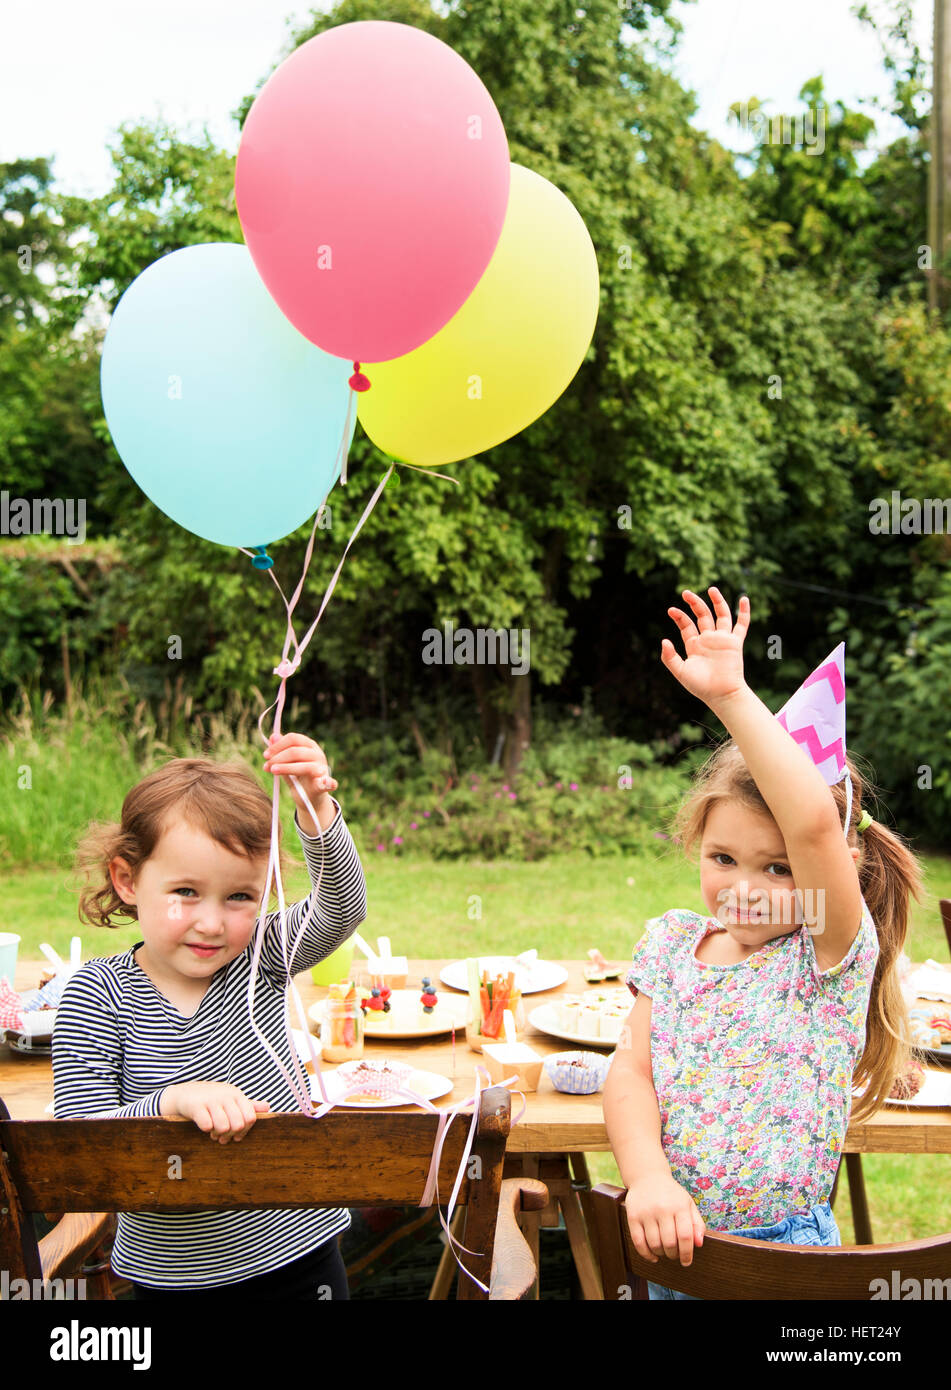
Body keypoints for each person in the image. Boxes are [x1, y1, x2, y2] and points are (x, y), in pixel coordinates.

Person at [603, 588, 921, 1300]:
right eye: (722, 859)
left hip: (785, 1263)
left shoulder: (826, 956)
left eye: (776, 868)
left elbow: (809, 823)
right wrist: (648, 1178)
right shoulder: (670, 945)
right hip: (677, 1245)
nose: (743, 886)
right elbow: (629, 1076)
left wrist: (730, 696)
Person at [53, 731, 367, 1299]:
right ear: (128, 881)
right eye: (185, 892)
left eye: (240, 897)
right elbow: (84, 1151)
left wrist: (316, 809)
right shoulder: (97, 995)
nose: (212, 923)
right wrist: (173, 1102)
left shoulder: (263, 955)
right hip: (172, 1278)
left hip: (301, 1255)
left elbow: (341, 908)